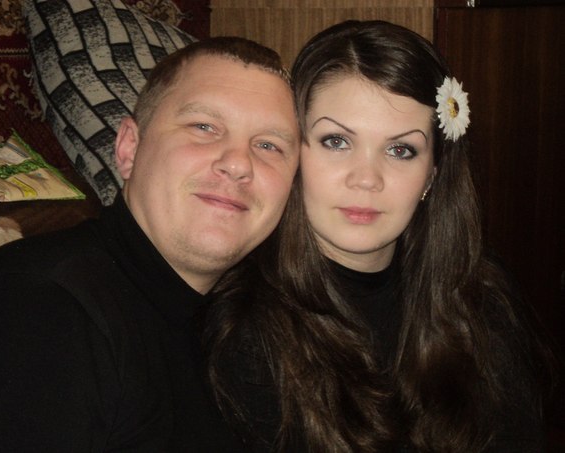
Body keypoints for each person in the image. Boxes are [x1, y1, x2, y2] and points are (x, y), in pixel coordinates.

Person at [204, 21, 555, 452]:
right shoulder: (241, 329)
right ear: (293, 150)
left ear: (432, 175)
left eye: (400, 150)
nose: (366, 178)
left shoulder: (482, 299)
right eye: (336, 141)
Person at [0, 37, 299, 451]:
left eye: (269, 146)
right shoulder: (38, 309)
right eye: (204, 127)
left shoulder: (255, 324)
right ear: (129, 149)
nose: (239, 163)